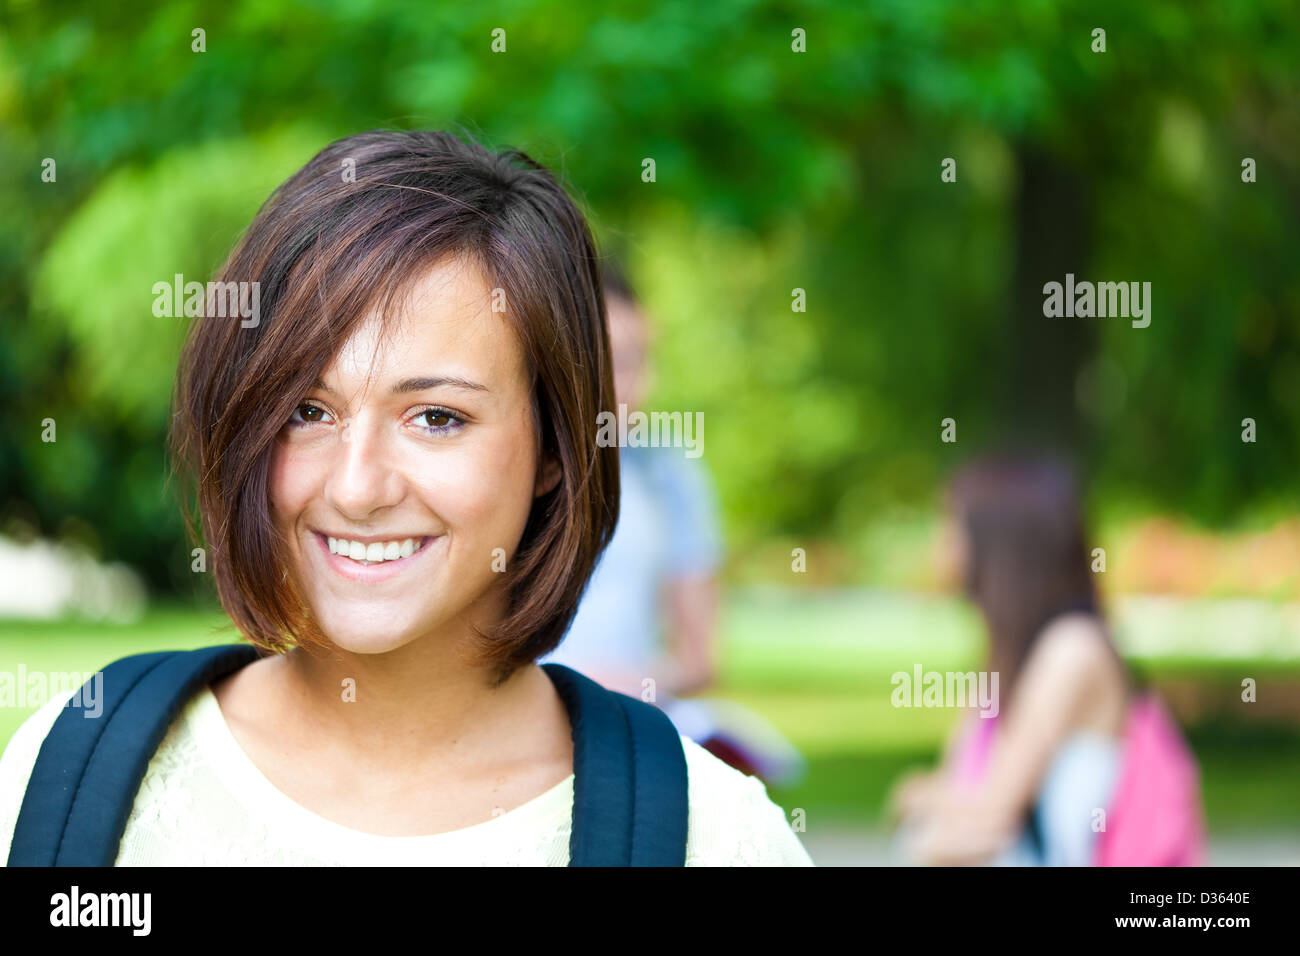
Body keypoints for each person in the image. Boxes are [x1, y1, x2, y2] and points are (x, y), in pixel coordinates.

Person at [0, 130, 812, 866]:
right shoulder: (74, 779)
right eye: (307, 411)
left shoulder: (712, 838)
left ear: (555, 453)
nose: (357, 488)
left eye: (436, 418)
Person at [540, 263, 806, 786]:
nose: (636, 386)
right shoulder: (503, 474)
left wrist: (612, 684)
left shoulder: (672, 479)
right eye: (612, 362)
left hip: (624, 736)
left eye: (640, 361)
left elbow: (701, 658)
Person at [888, 454, 1206, 866]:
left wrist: (918, 802)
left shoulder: (1072, 649)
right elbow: (959, 790)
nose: (939, 545)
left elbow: (989, 809)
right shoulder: (1007, 657)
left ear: (1000, 545)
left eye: (951, 526)